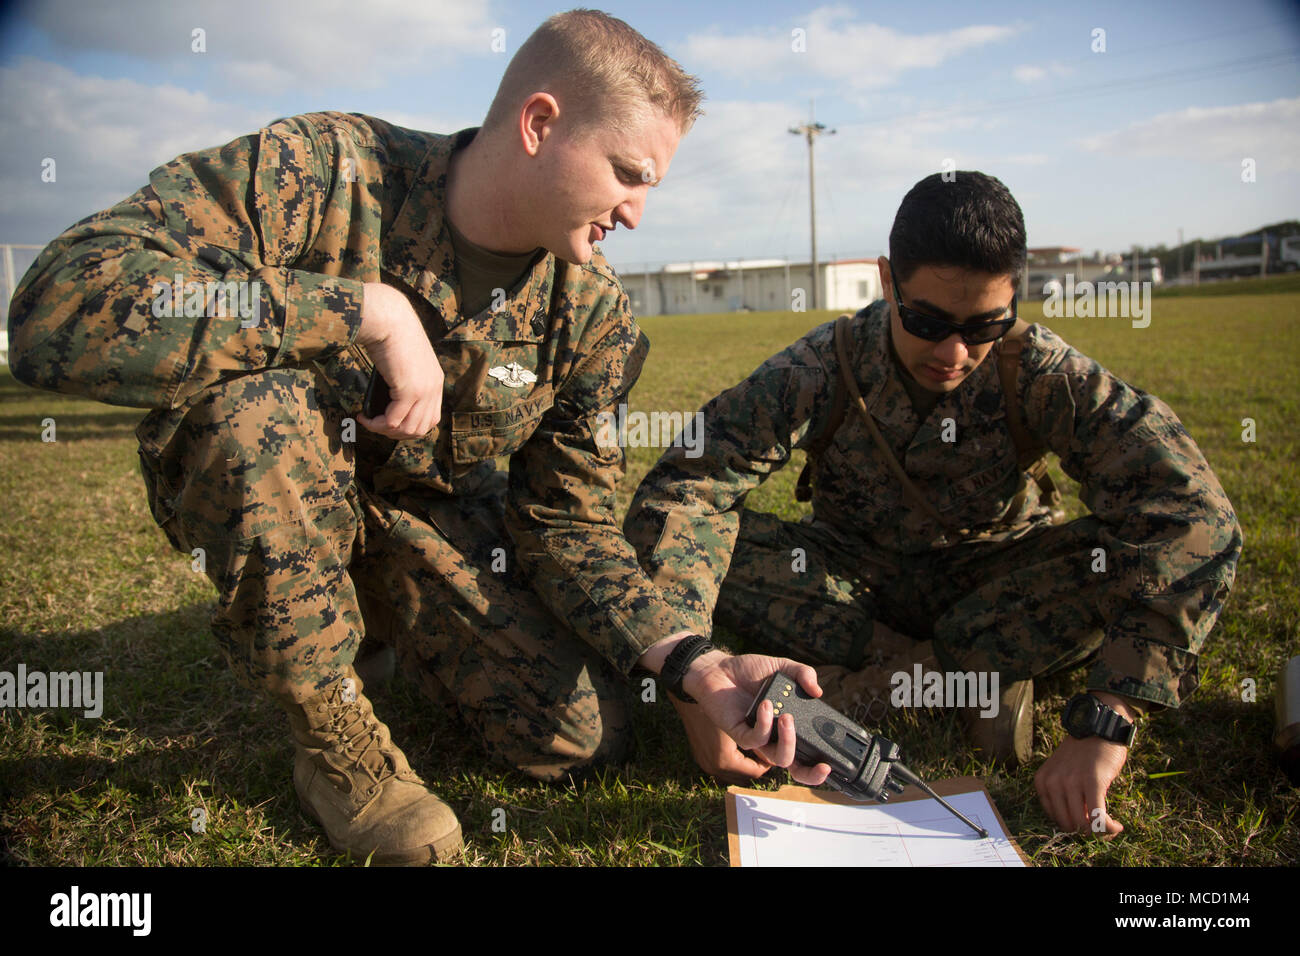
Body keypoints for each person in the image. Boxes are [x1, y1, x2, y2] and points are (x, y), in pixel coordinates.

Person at [7, 9, 832, 866]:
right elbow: (57, 302)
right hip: (264, 475)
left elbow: (567, 525)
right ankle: (333, 735)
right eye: (628, 174)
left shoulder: (591, 315)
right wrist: (362, 312)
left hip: (416, 519)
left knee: (577, 737)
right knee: (258, 410)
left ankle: (369, 621)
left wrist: (695, 665)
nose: (636, 213)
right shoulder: (325, 172)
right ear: (540, 123)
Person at [624, 170, 1242, 836]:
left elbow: (1192, 515)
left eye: (984, 326)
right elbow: (685, 487)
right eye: (927, 321)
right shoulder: (821, 366)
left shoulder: (1042, 372)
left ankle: (884, 680)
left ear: (1016, 299)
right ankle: (970, 676)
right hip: (852, 586)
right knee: (708, 539)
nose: (953, 353)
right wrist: (693, 679)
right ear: (888, 282)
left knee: (1108, 557)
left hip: (999, 584)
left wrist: (1107, 718)